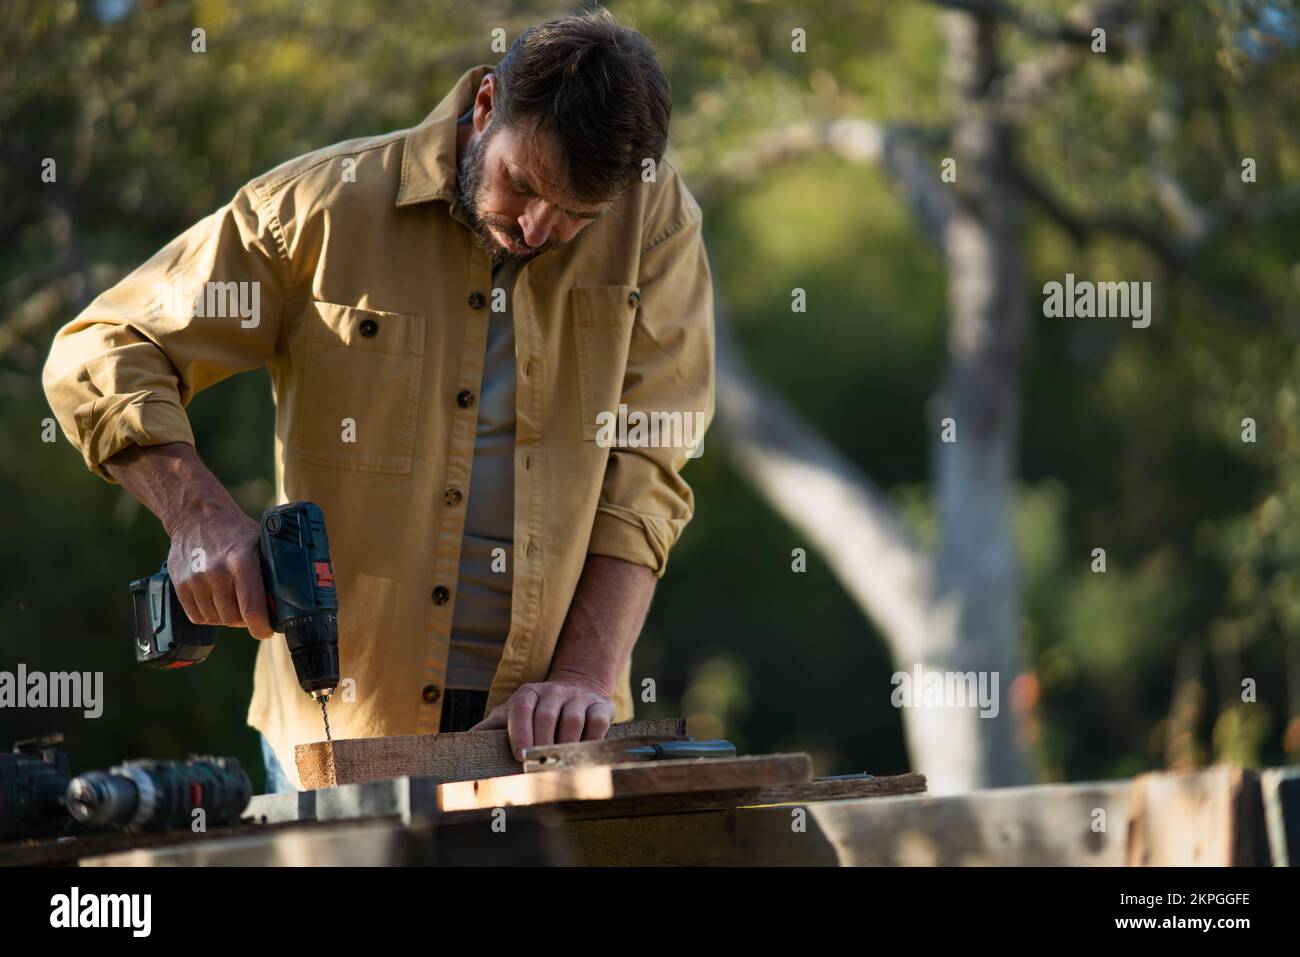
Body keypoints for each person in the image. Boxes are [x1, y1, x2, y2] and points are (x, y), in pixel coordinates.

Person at [42, 10, 714, 792]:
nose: (538, 227)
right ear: (487, 106)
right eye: (524, 186)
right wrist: (195, 514)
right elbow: (101, 348)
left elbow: (647, 468)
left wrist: (583, 676)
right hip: (341, 743)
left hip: (555, 743)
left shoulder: (656, 222)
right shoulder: (317, 210)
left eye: (576, 216)